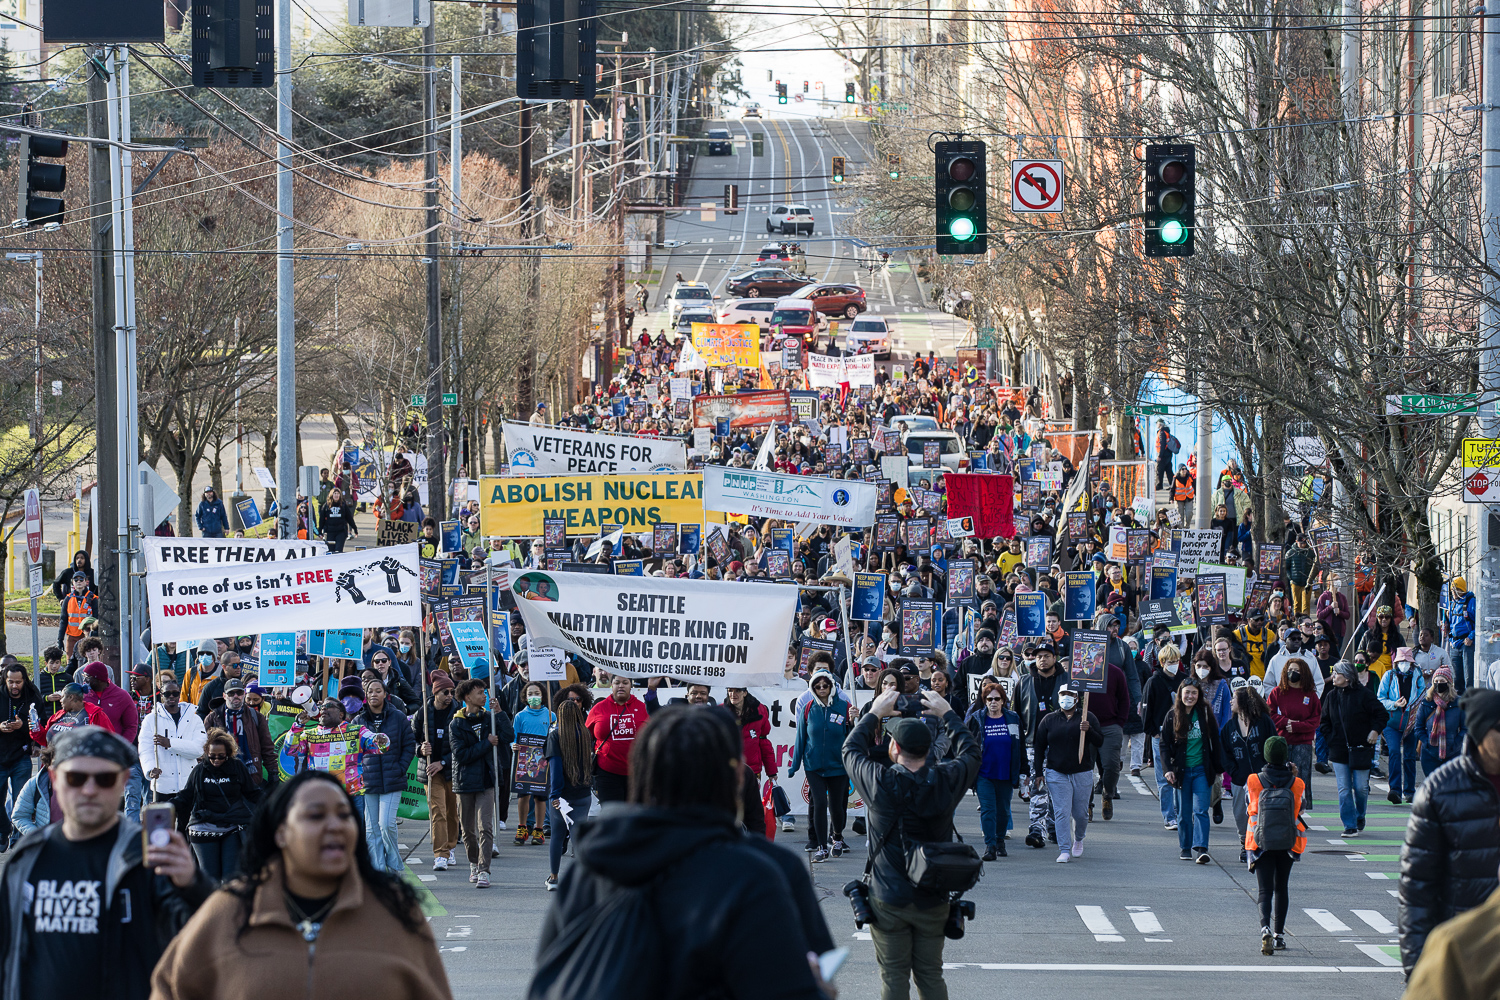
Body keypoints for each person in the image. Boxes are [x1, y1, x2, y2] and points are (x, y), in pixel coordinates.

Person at [532, 706, 832, 1000]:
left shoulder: (590, 867)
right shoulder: (760, 874)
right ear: (736, 779)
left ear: (641, 776)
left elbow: (549, 973)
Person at [150, 770, 454, 1000]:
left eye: (344, 815)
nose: (334, 825)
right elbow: (170, 988)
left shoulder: (394, 911)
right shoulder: (230, 911)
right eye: (315, 815)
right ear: (281, 832)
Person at [0, 726, 210, 998]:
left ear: (123, 781)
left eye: (104, 779)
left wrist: (194, 885)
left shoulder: (147, 858)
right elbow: (9, 953)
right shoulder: (27, 857)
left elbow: (211, 942)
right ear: (54, 778)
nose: (89, 790)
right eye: (75, 778)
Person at [844, 687, 979, 1000]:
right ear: (929, 749)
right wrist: (948, 713)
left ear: (894, 747)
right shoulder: (946, 779)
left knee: (893, 977)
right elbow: (971, 753)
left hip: (888, 897)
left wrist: (874, 713)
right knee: (931, 975)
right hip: (933, 896)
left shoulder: (879, 781)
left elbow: (850, 751)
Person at [1398, 687, 1500, 976]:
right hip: (1465, 956)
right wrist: (1419, 971)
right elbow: (1416, 890)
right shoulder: (1440, 791)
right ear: (1480, 734)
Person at [1245, 735, 1307, 954]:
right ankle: (1280, 936)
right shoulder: (1297, 783)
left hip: (1260, 841)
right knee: (1281, 887)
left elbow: (1248, 805)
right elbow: (1302, 808)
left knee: (1264, 890)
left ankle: (1265, 929)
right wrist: (1294, 776)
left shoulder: (1253, 780)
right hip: (1287, 842)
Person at [174, 728, 260, 883]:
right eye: (212, 757)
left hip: (231, 826)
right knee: (209, 878)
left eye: (221, 757)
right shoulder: (199, 771)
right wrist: (169, 805)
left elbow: (252, 793)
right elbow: (186, 796)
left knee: (231, 878)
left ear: (228, 753)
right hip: (203, 828)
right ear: (206, 753)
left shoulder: (237, 767)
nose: (216, 760)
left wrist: (275, 802)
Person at [1033, 682, 1104, 864]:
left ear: (1076, 698)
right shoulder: (1049, 719)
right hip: (1056, 772)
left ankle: (1079, 838)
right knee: (1062, 812)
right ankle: (1064, 848)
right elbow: (1039, 746)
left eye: (1069, 694)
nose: (1066, 698)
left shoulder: (1087, 717)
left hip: (1081, 771)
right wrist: (1039, 771)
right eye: (1063, 694)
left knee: (1080, 813)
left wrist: (1088, 731)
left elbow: (1099, 741)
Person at [788, 668, 853, 862]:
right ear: (812, 688)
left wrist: (854, 720)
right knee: (819, 804)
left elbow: (854, 737)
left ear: (832, 686)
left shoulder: (845, 707)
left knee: (836, 806)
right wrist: (794, 765)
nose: (822, 688)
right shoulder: (808, 708)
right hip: (814, 765)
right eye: (817, 686)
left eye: (825, 685)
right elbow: (800, 739)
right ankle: (822, 846)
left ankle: (838, 837)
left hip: (838, 766)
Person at [1318, 660, 1389, 836]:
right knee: (1343, 788)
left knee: (1360, 788)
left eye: (1337, 673)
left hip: (1361, 748)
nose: (1333, 676)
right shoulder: (1331, 696)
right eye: (1334, 673)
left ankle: (1360, 815)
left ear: (1348, 677)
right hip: (1338, 749)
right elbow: (1324, 722)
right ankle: (1349, 824)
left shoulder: (1364, 695)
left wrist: (1374, 731)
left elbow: (1382, 714)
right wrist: (1331, 739)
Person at [353, 677, 415, 874]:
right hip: (369, 782)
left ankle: (395, 864)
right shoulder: (358, 721)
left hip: (393, 779)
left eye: (377, 690)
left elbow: (409, 745)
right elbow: (352, 749)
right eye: (370, 691)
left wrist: (400, 768)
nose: (373, 694)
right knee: (371, 829)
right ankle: (379, 870)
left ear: (385, 694)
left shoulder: (398, 717)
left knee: (386, 824)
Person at [448, 678, 499, 889]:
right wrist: (486, 744)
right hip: (465, 782)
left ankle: (484, 870)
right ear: (468, 697)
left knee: (485, 827)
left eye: (485, 692)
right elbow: (461, 755)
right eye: (480, 692)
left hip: (486, 781)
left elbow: (507, 734)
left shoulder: (490, 718)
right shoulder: (456, 723)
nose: (484, 696)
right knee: (468, 830)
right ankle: (473, 863)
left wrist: (500, 712)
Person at [283, 698, 390, 797]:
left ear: (341, 714)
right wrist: (297, 725)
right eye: (321, 707)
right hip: (319, 795)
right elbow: (290, 750)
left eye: (329, 705)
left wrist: (381, 739)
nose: (323, 708)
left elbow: (380, 746)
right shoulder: (309, 734)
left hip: (351, 795)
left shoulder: (357, 731)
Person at [968, 680, 1026, 860]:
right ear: (984, 701)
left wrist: (1026, 772)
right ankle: (990, 846)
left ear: (1003, 701)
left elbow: (1020, 747)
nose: (993, 702)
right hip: (984, 774)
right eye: (989, 699)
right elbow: (968, 745)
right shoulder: (977, 719)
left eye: (997, 699)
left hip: (1006, 773)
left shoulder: (1013, 718)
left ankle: (1000, 840)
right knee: (987, 810)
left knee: (1003, 811)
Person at [1222, 681, 1277, 863]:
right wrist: (1234, 773)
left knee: (1263, 812)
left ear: (1243, 701)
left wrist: (1270, 769)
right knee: (1240, 814)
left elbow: (1273, 744)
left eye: (1234, 698)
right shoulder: (1229, 728)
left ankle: (1262, 844)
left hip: (1263, 778)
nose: (1231, 701)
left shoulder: (1263, 722)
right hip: (1240, 780)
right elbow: (1225, 754)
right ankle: (1245, 844)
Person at [543, 699, 594, 891]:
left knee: (557, 836)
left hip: (562, 795)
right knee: (578, 838)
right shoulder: (586, 735)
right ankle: (583, 880)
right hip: (583, 792)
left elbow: (555, 769)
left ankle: (554, 877)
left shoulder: (556, 736)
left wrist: (554, 795)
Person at [413, 672, 458, 872]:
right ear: (435, 693)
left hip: (452, 770)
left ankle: (451, 846)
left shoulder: (459, 713)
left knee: (452, 812)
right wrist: (420, 750)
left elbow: (462, 746)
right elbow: (411, 740)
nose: (450, 695)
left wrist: (443, 762)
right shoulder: (422, 713)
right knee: (437, 811)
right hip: (430, 772)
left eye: (452, 692)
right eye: (445, 692)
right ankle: (440, 854)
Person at [137, 681, 207, 809]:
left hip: (188, 784)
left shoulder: (194, 719)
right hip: (162, 785)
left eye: (175, 693)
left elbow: (199, 749)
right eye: (167, 694)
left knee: (185, 826)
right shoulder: (152, 719)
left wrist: (170, 743)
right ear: (161, 695)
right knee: (163, 826)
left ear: (179, 694)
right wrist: (150, 768)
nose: (171, 697)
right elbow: (145, 748)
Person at [584, 675, 649, 805]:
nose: (621, 686)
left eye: (625, 682)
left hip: (637, 774)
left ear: (631, 686)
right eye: (617, 682)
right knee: (611, 816)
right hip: (607, 774)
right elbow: (586, 737)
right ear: (612, 686)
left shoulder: (643, 708)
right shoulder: (598, 708)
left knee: (634, 816)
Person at [1265, 658, 1320, 809]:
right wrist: (1285, 722)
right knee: (1280, 775)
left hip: (1303, 742)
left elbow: (1315, 720)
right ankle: (1278, 806)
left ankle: (1300, 808)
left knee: (1301, 777)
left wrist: (1297, 726)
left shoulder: (1311, 695)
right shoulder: (1277, 692)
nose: (1292, 673)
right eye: (1290, 670)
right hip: (1282, 741)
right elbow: (1269, 714)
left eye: (1296, 671)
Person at [724, 686, 779, 837]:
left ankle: (752, 840)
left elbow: (764, 742)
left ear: (745, 692)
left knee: (751, 810)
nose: (732, 694)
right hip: (728, 770)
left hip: (753, 773)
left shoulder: (760, 711)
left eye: (736, 691)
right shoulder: (722, 712)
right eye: (729, 690)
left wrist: (771, 771)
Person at [0, 664, 43, 849]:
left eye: (18, 682)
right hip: (0, 756)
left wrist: (23, 727)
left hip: (21, 757)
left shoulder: (33, 697)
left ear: (24, 680)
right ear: (5, 680)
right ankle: (3, 830)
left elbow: (41, 726)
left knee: (20, 801)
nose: (15, 686)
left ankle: (17, 839)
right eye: (11, 682)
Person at [1377, 646, 1426, 805]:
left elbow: (1422, 694)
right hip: (1392, 722)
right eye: (1401, 661)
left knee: (1410, 756)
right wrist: (1394, 703)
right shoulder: (1388, 675)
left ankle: (1410, 791)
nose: (1404, 664)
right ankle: (1395, 790)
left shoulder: (1417, 675)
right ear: (1396, 662)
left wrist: (1414, 707)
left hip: (1411, 722)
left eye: (1407, 661)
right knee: (1394, 753)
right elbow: (1380, 698)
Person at [1142, 642, 1183, 831]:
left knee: (1181, 777)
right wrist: (1153, 732)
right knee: (1164, 778)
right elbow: (1146, 710)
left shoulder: (1184, 679)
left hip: (1182, 736)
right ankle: (1169, 816)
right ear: (1162, 661)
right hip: (1160, 737)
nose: (1174, 664)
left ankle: (1180, 811)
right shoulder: (1154, 681)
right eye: (1170, 661)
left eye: (1176, 660)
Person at [1414, 667, 1465, 778]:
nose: (1438, 684)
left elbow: (1465, 728)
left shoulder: (1458, 703)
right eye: (1436, 681)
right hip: (1430, 753)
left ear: (1449, 683)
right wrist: (1426, 742)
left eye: (1442, 681)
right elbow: (1418, 727)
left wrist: (1456, 743)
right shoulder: (1426, 702)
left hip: (1453, 753)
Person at [33, 683, 114, 745]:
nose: (60, 700)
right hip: (54, 764)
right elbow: (46, 740)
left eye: (62, 697)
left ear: (71, 697)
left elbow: (109, 742)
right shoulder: (58, 715)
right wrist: (35, 728)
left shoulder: (96, 715)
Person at [57, 574, 99, 662]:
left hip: (87, 636)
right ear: (73, 582)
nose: (78, 582)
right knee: (71, 662)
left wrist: (94, 634)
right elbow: (63, 620)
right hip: (72, 636)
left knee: (87, 661)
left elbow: (97, 619)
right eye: (76, 580)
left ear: (86, 582)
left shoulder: (93, 599)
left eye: (81, 579)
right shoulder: (68, 599)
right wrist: (60, 639)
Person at [319, 486, 359, 553]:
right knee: (330, 550)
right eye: (335, 493)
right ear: (332, 495)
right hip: (330, 531)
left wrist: (355, 528)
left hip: (341, 531)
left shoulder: (343, 505)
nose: (336, 495)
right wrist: (320, 531)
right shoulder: (326, 506)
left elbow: (349, 518)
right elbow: (322, 519)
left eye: (338, 494)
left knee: (338, 550)